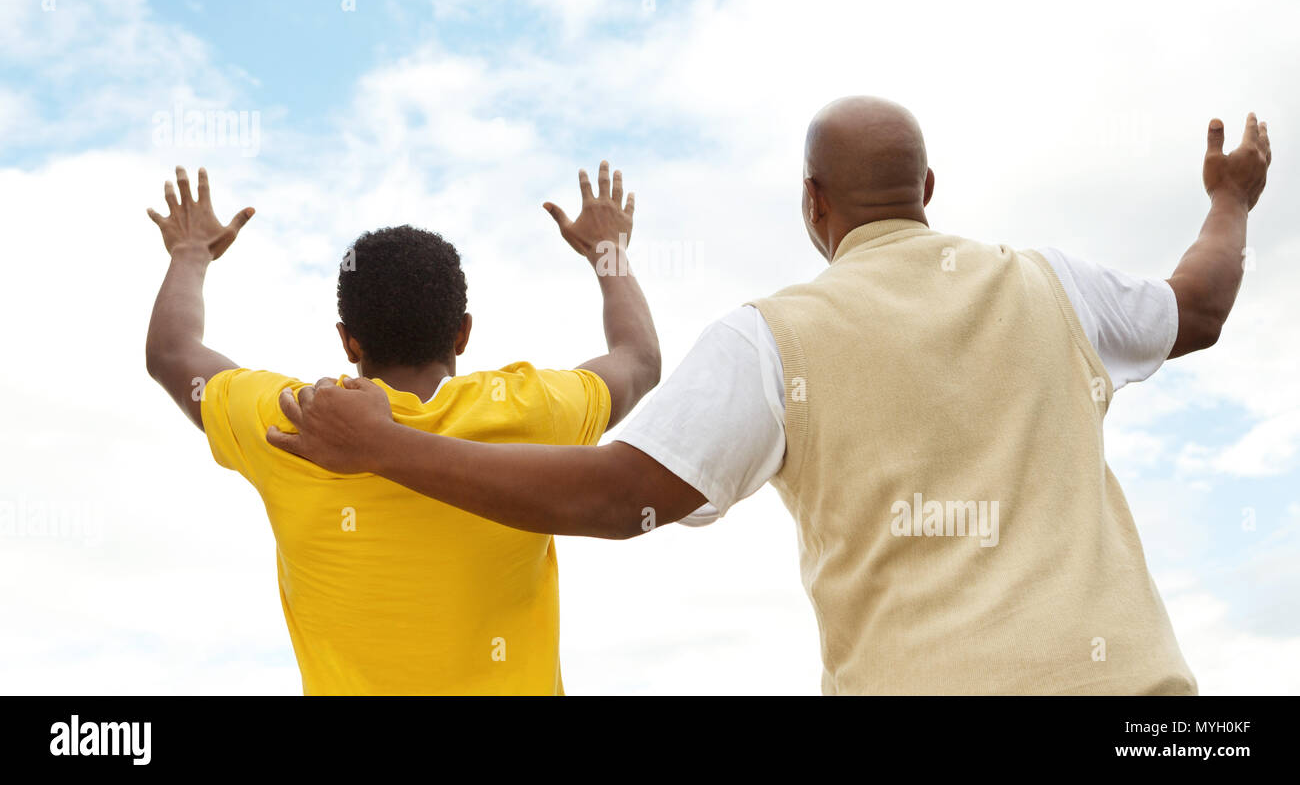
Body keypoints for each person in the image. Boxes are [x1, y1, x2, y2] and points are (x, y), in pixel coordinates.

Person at [269, 98, 1272, 695]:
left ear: (813, 202)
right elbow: (1200, 303)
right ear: (927, 185)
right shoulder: (1050, 283)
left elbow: (623, 496)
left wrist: (387, 447)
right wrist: (1227, 199)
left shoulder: (771, 338)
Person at [144, 161, 659, 694]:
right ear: (462, 333)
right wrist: (609, 251)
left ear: (348, 342)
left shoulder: (297, 421)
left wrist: (189, 253)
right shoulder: (536, 411)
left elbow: (171, 352)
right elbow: (638, 359)